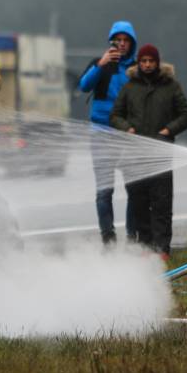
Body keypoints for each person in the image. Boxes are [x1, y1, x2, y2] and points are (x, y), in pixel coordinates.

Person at [109, 43, 187, 259]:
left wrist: (168, 130)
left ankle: (163, 248)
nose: (147, 65)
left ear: (157, 63)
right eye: (143, 61)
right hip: (134, 157)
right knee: (138, 205)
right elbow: (115, 115)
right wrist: (127, 128)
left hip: (161, 156)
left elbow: (186, 115)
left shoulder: (171, 86)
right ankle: (145, 248)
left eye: (150, 61)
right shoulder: (129, 88)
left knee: (162, 204)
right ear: (138, 63)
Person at [78, 21, 137, 244]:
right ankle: (108, 237)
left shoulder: (135, 69)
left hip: (128, 134)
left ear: (132, 44)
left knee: (133, 187)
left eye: (126, 41)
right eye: (118, 41)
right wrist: (101, 65)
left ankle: (133, 235)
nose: (122, 45)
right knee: (104, 190)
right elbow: (84, 86)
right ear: (111, 42)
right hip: (101, 134)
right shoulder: (100, 65)